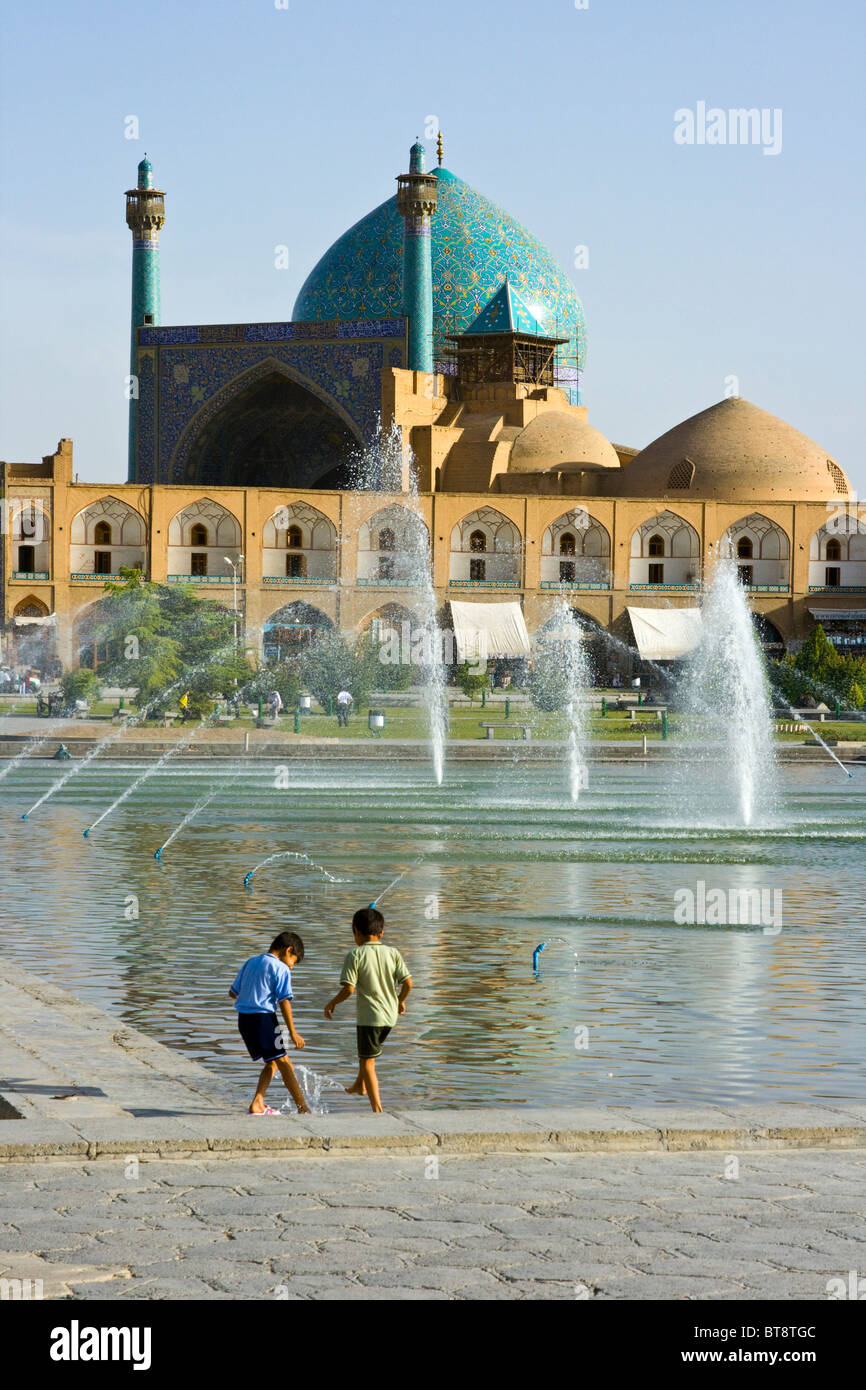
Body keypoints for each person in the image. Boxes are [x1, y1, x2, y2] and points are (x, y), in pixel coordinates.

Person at [324, 906, 412, 1113]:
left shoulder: (355, 954)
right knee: (367, 1057)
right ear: (381, 933)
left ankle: (377, 1109)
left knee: (368, 1064)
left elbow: (349, 989)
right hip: (390, 1017)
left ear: (355, 931)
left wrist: (332, 1003)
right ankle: (359, 1085)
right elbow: (408, 983)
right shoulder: (393, 952)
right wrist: (399, 1001)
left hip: (369, 1018)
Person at [229, 931, 311, 1115]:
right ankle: (303, 1108)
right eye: (293, 962)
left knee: (273, 1062)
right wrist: (293, 1032)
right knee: (284, 1061)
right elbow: (284, 1001)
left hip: (244, 1020)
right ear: (288, 950)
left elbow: (233, 992)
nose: (291, 968)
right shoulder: (280, 968)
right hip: (263, 1019)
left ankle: (258, 1101)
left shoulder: (251, 962)